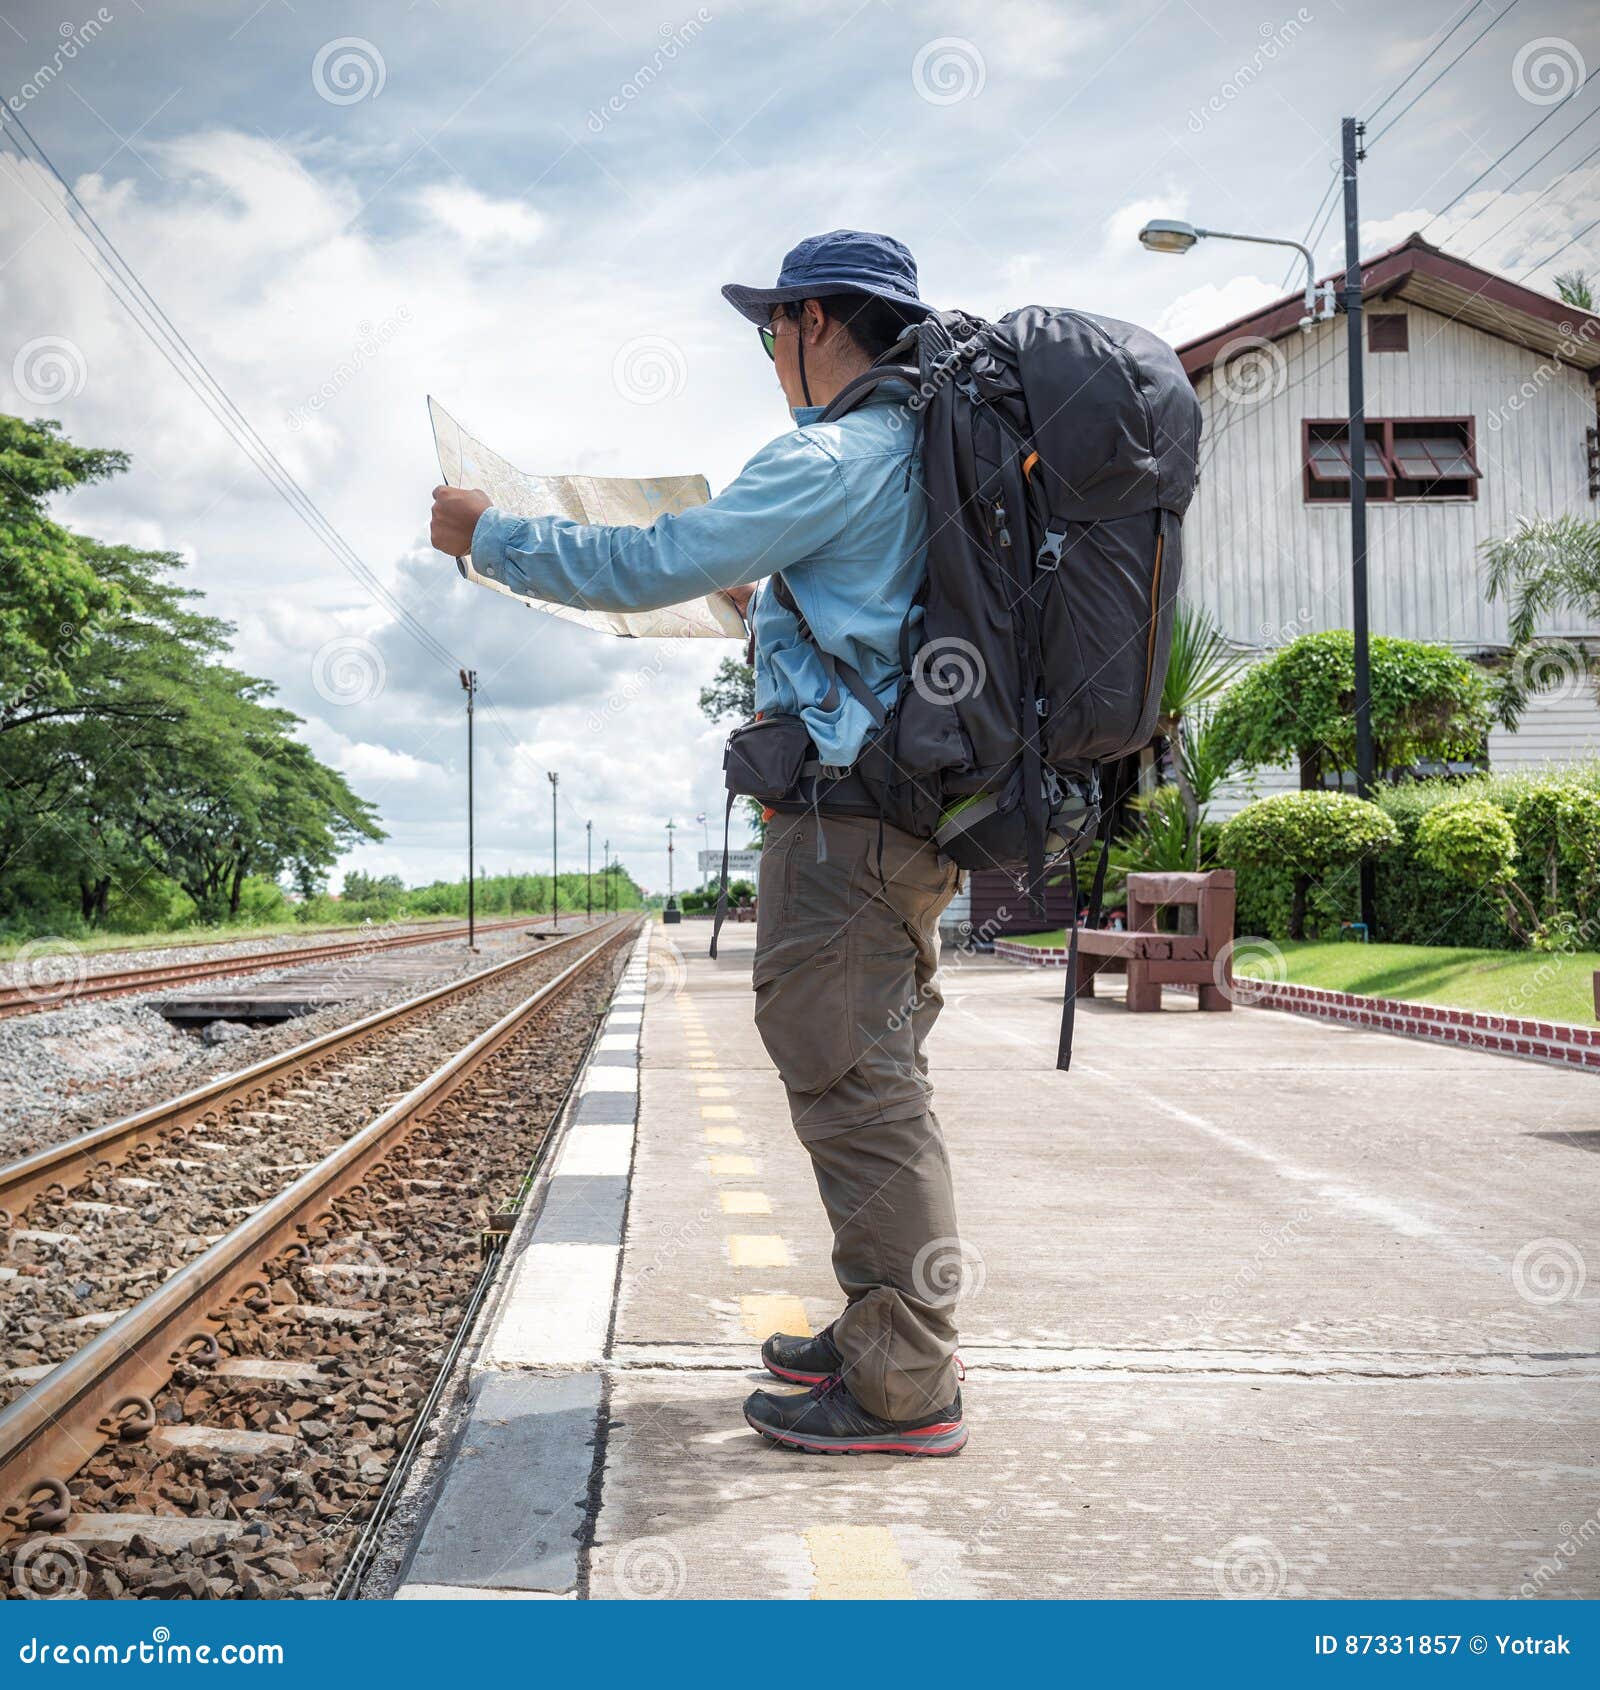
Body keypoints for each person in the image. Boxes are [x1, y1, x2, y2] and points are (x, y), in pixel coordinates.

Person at [429, 230, 967, 1457]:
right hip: (897, 815)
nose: (768, 351)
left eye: (770, 326)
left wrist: (490, 534)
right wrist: (758, 601)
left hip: (848, 825)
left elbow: (655, 557)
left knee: (859, 1087)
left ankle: (905, 1384)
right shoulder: (910, 451)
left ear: (814, 321)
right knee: (870, 1073)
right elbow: (870, 613)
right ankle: (883, 1331)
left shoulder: (831, 453)